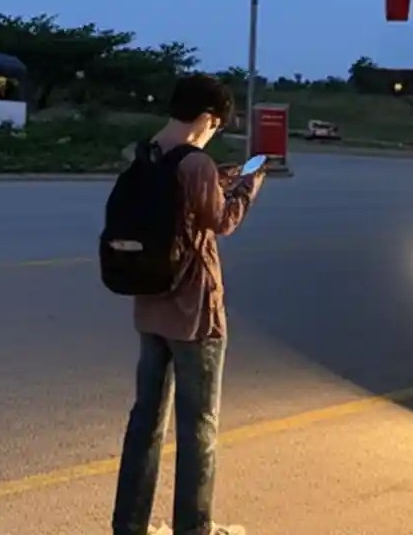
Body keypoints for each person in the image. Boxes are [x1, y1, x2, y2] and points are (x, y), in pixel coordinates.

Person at [111, 74, 265, 535]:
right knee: (199, 427)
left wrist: (220, 179)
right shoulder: (195, 163)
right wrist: (250, 185)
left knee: (146, 422)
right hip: (194, 312)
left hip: (150, 305)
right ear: (206, 118)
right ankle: (194, 528)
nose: (212, 133)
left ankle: (129, 525)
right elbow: (221, 220)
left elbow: (177, 204)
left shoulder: (146, 152)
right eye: (215, 126)